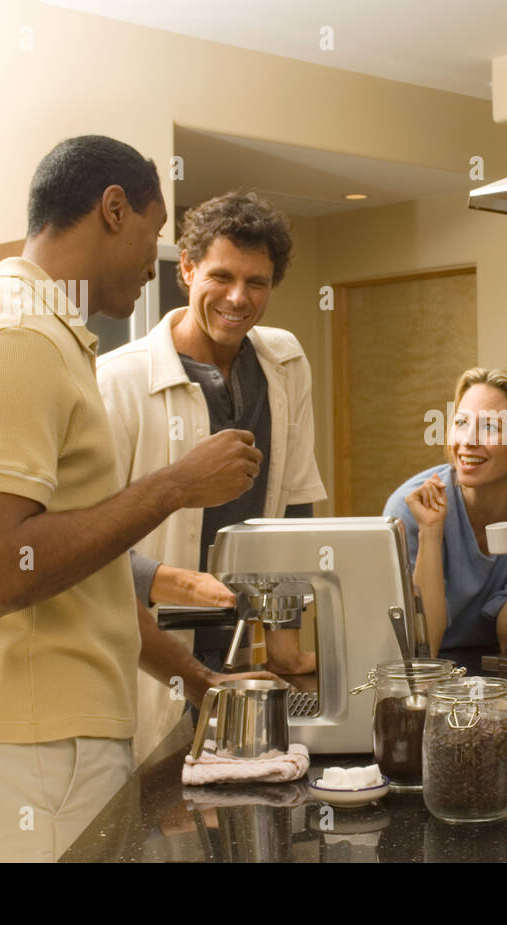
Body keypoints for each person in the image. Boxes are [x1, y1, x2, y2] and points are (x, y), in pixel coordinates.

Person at [0, 136, 267, 862]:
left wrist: (197, 679)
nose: (154, 262)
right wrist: (174, 486)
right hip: (32, 742)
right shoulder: (15, 338)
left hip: (48, 736)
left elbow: (87, 571)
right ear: (113, 209)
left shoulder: (54, 337)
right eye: (154, 233)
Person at [98, 191, 326, 763]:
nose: (238, 298)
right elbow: (82, 545)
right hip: (142, 656)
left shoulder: (285, 362)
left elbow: (294, 510)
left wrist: (285, 641)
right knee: (152, 830)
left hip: (241, 658)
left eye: (257, 282)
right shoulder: (117, 383)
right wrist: (172, 580)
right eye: (221, 276)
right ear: (188, 269)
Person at [383, 368, 507, 674]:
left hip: (500, 678)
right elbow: (423, 652)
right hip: (423, 677)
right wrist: (430, 534)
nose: (467, 441)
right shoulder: (408, 510)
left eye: (490, 427)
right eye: (461, 423)